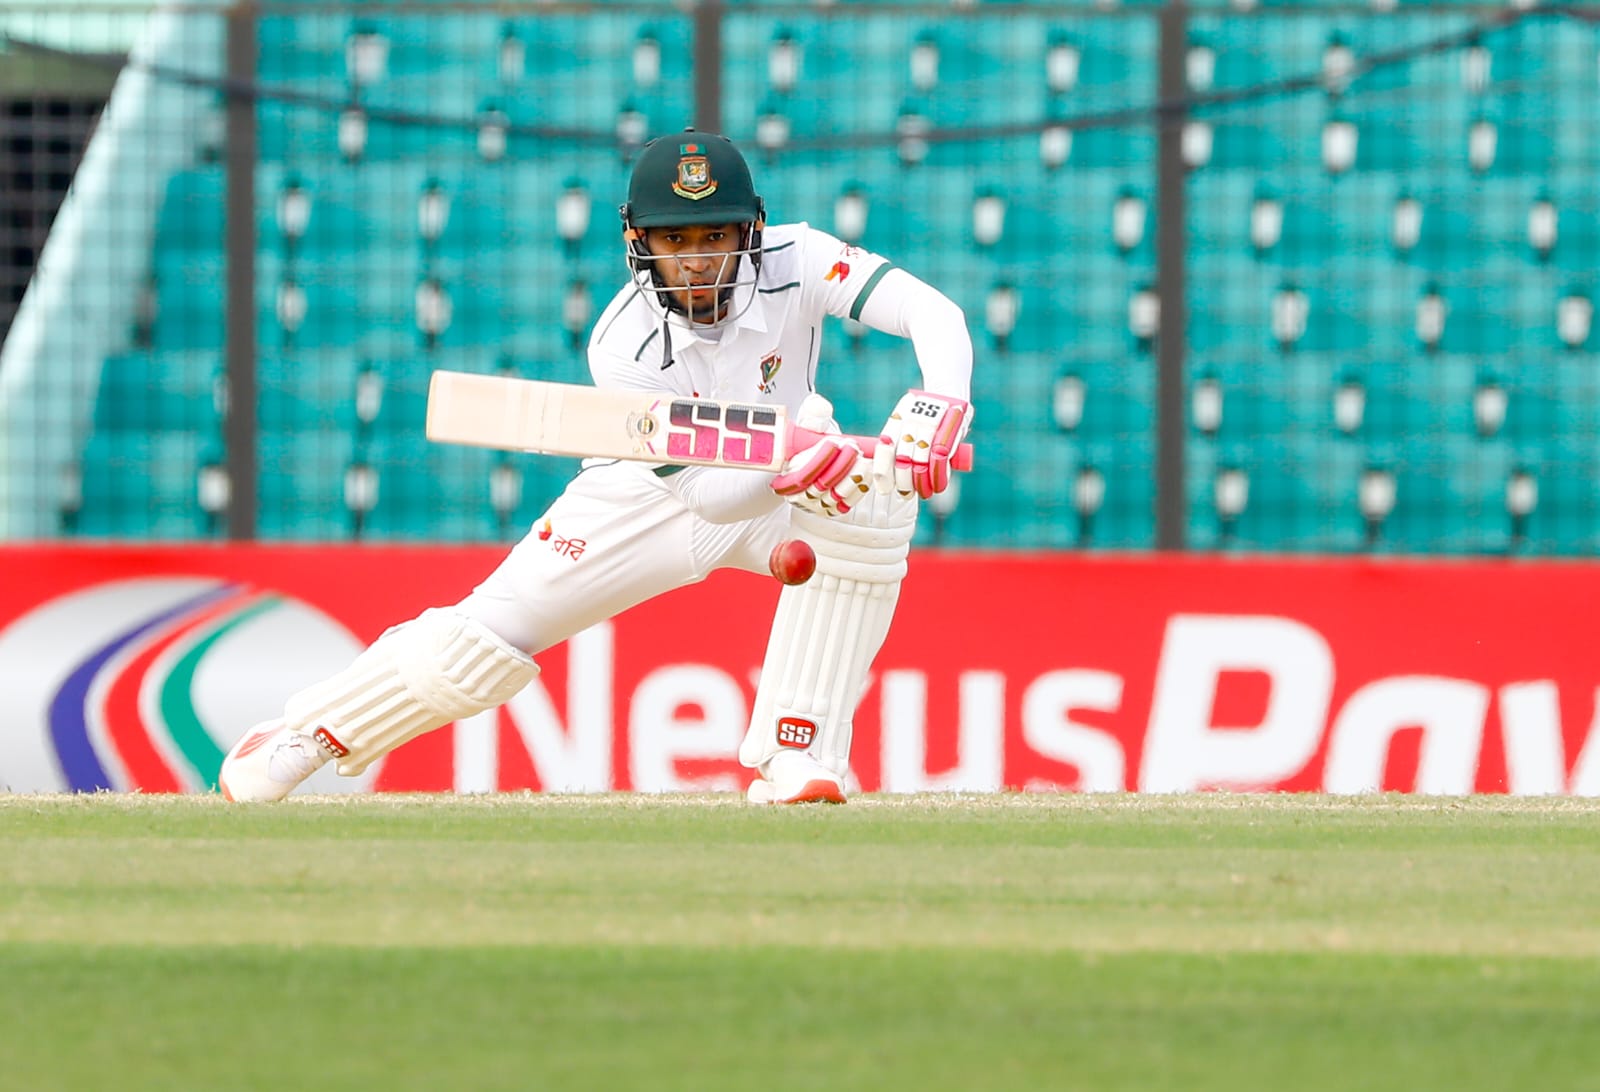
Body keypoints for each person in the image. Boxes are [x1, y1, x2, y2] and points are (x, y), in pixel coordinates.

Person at [219, 129, 973, 805]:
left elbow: (930, 313)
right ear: (638, 241)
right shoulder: (623, 345)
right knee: (489, 638)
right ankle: (305, 734)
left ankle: (798, 754)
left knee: (871, 501)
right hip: (642, 493)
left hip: (780, 475)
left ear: (752, 231)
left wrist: (941, 404)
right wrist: (786, 461)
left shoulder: (799, 258)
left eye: (715, 236)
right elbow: (708, 498)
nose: (698, 260)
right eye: (674, 241)